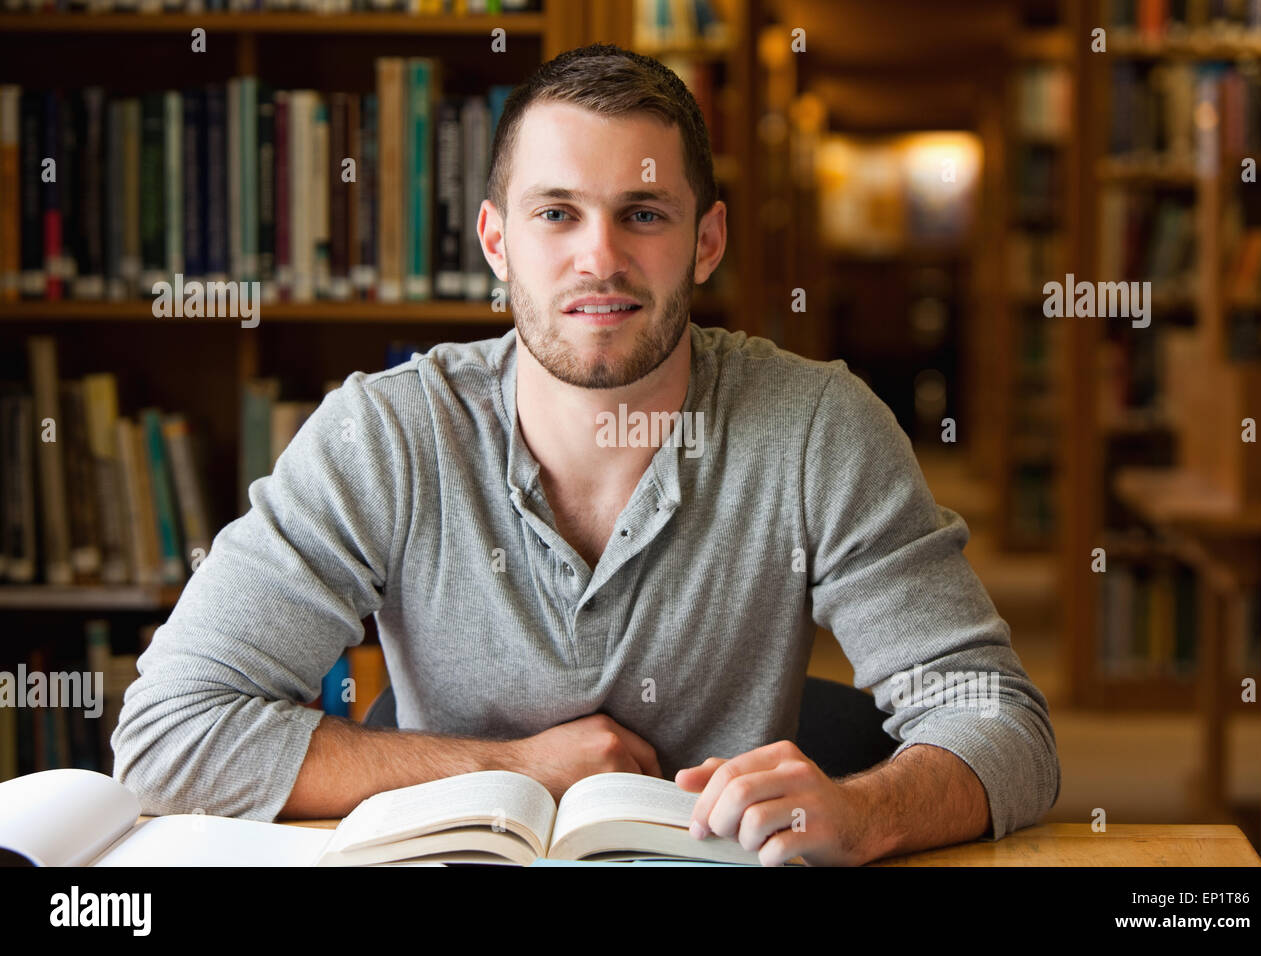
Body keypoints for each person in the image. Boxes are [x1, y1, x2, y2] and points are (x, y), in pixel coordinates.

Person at [113, 43, 1060, 866]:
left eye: (643, 213)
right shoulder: (386, 435)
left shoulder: (820, 428)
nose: (598, 258)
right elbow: (168, 732)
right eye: (556, 213)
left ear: (707, 240)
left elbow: (1003, 723)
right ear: (496, 241)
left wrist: (867, 811)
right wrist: (516, 768)